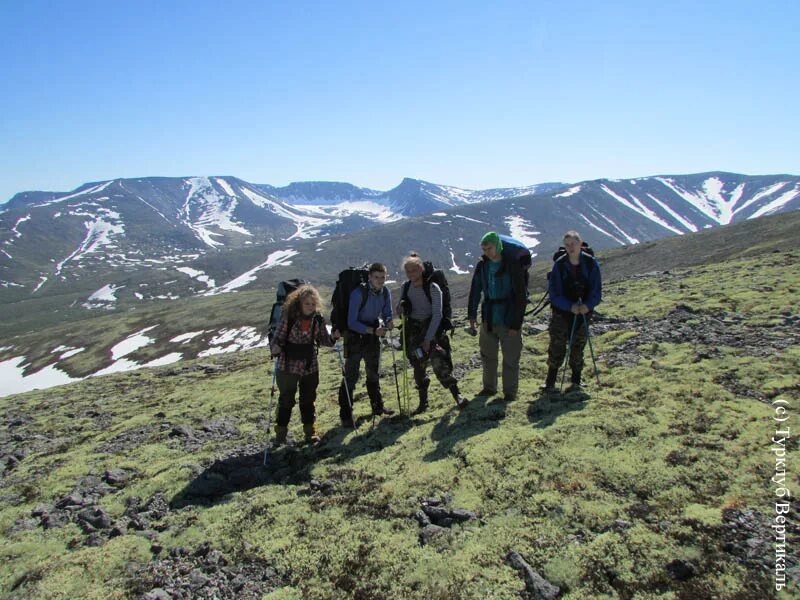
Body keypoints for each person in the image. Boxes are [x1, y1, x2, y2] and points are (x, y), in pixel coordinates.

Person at [398, 253, 467, 413]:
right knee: (418, 367)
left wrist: (429, 339)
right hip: (414, 331)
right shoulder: (405, 287)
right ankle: (423, 403)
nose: (411, 275)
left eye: (414, 271)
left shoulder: (433, 288)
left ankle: (457, 395)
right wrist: (400, 309)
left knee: (440, 364)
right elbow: (402, 307)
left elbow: (438, 314)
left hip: (433, 329)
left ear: (421, 269)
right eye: (408, 272)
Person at [270, 284, 339, 444]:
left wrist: (334, 337)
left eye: (313, 304)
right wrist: (275, 347)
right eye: (307, 303)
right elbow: (278, 337)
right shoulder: (289, 316)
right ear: (299, 303)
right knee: (286, 400)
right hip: (288, 366)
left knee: (308, 399)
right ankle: (280, 434)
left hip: (310, 366)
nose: (310, 307)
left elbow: (324, 340)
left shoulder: (317, 318)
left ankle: (310, 432)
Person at [467, 231, 527, 402]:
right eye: (484, 248)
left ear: (498, 246)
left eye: (490, 248)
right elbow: (475, 289)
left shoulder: (512, 265)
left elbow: (521, 296)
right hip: (489, 318)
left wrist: (516, 325)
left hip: (508, 318)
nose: (487, 251)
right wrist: (471, 314)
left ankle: (509, 392)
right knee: (488, 355)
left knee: (510, 357)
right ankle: (489, 388)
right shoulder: (483, 266)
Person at [543, 230, 602, 394]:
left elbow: (597, 291)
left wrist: (587, 305)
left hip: (583, 312)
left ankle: (576, 380)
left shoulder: (591, 264)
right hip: (562, 313)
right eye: (567, 245)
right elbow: (554, 293)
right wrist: (570, 306)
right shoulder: (560, 265)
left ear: (580, 244)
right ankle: (550, 381)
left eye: (573, 244)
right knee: (557, 346)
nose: (570, 247)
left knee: (578, 346)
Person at [337, 262, 396, 428]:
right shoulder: (358, 293)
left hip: (372, 337)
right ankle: (346, 415)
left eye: (383, 277)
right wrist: (372, 330)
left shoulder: (385, 292)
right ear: (369, 277)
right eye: (376, 277)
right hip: (355, 337)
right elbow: (351, 322)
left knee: (373, 373)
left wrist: (389, 321)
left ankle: (377, 407)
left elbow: (387, 313)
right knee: (351, 377)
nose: (380, 281)